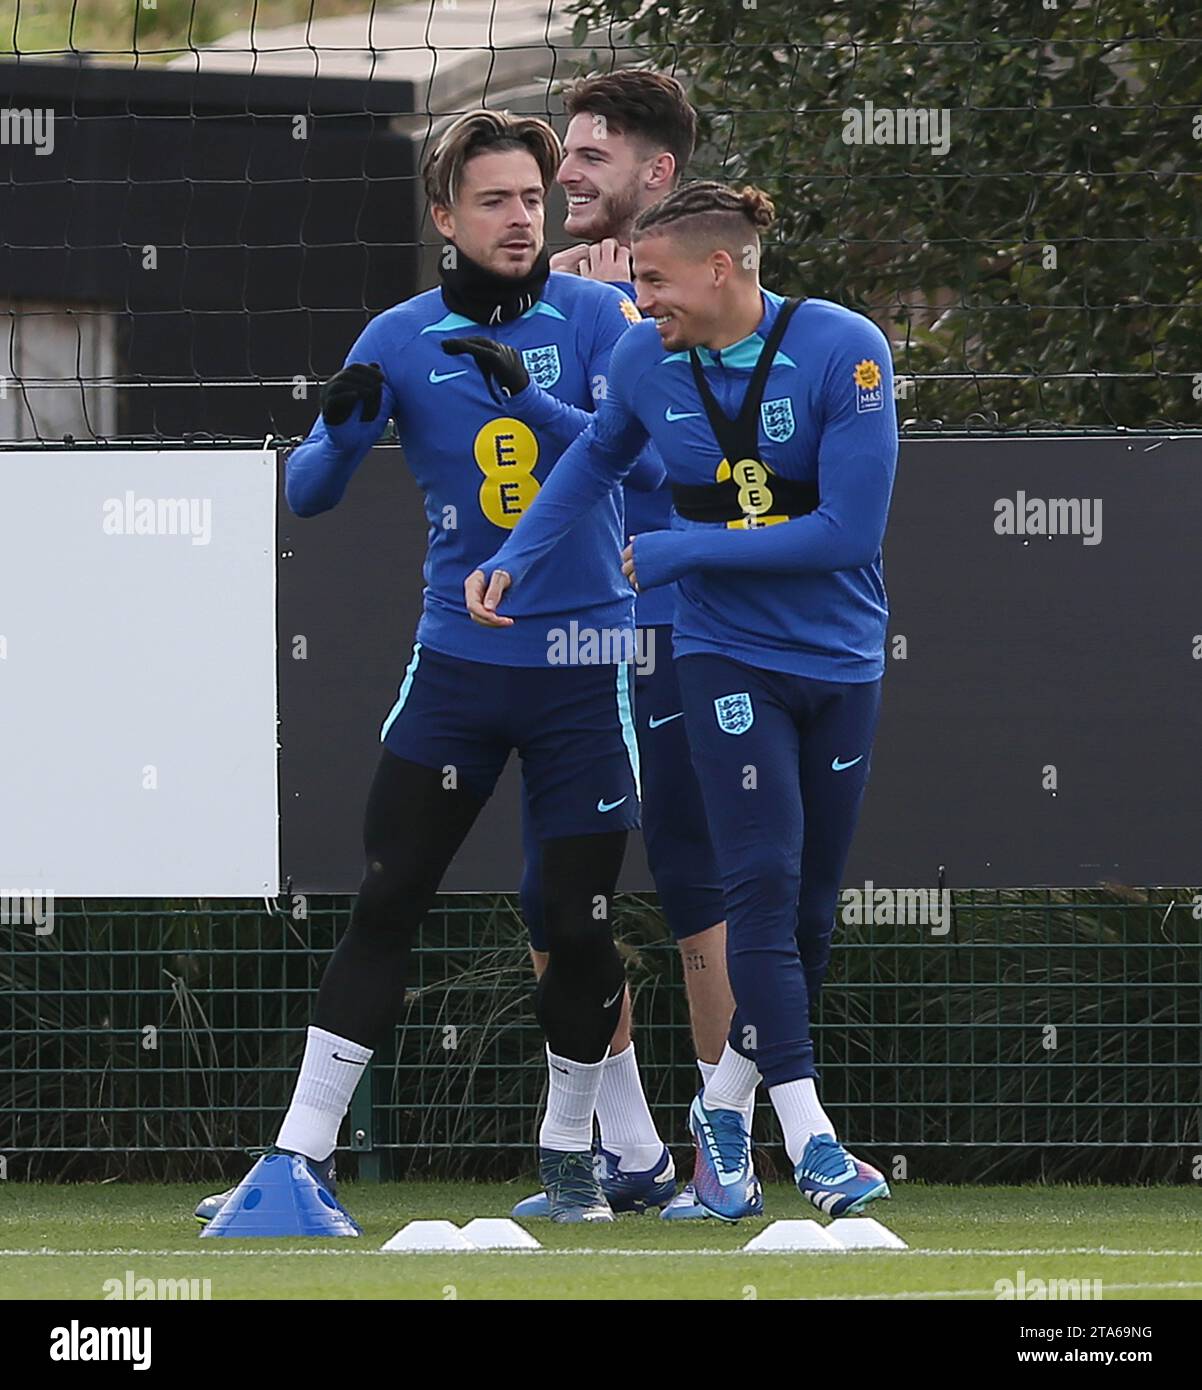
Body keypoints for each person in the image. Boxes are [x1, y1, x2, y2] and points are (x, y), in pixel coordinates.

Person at [197, 109, 665, 1227]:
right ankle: (295, 1163)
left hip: (581, 658)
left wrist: (532, 401)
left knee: (578, 920)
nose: (520, 219)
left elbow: (637, 468)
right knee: (387, 898)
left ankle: (573, 1172)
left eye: (531, 198)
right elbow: (308, 489)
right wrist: (344, 431)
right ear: (444, 216)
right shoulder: (398, 335)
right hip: (456, 664)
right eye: (495, 201)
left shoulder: (602, 317)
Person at [465, 180, 898, 1221]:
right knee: (755, 883)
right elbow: (592, 458)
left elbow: (847, 534)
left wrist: (680, 547)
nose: (637, 298)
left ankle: (720, 1103)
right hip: (721, 656)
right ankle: (815, 1143)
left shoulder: (844, 350)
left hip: (838, 661)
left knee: (806, 918)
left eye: (651, 279)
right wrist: (515, 559)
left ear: (721, 268)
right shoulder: (639, 358)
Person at [512, 70, 751, 1223]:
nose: (563, 178)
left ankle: (725, 1154)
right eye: (565, 155)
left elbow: (670, 467)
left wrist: (625, 317)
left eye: (589, 157)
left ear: (656, 174)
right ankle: (626, 1148)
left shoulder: (703, 299)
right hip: (565, 641)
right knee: (557, 899)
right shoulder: (539, 290)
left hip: (678, 634)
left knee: (701, 886)